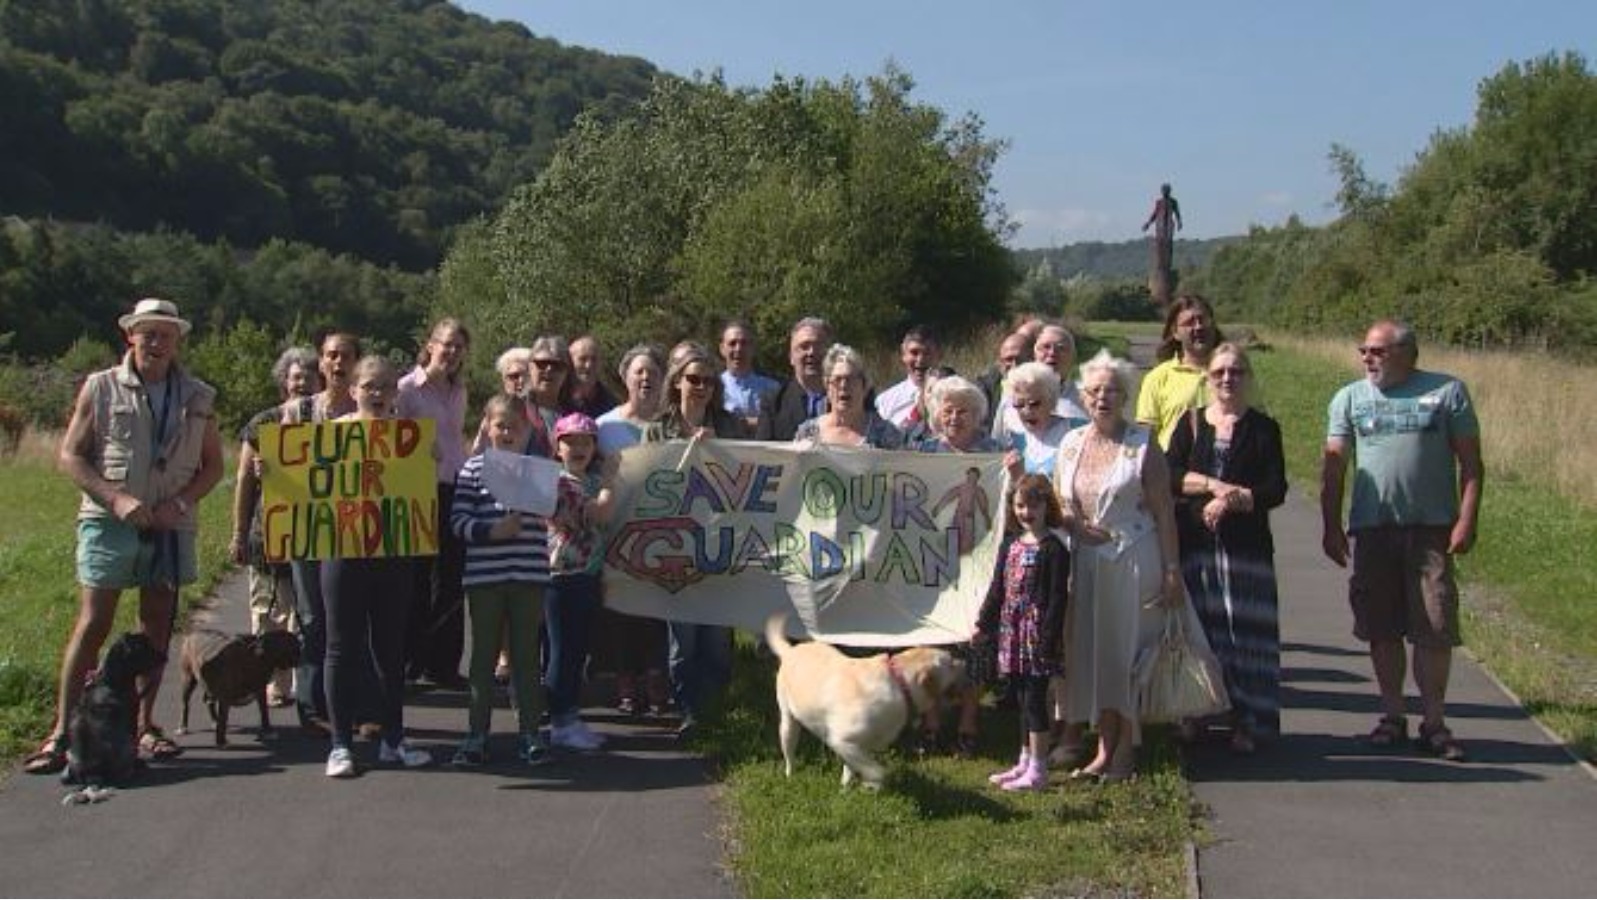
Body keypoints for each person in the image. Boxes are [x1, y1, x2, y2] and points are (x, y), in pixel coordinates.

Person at [25, 298, 224, 775]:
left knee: (155, 627)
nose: (156, 343)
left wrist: (181, 503)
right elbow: (71, 455)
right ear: (130, 337)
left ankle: (142, 725)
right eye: (148, 333)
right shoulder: (101, 387)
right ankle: (63, 731)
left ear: (178, 342)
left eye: (166, 335)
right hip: (108, 522)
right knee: (94, 623)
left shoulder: (199, 396)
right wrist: (115, 499)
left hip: (170, 526)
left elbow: (214, 465)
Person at [1321, 320, 1483, 761]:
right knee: (1381, 626)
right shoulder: (1349, 398)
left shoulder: (1447, 392)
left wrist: (1466, 519)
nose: (1367, 358)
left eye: (1377, 351)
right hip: (1374, 528)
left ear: (1407, 353)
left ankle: (1434, 722)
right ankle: (1392, 714)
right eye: (1364, 351)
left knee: (1433, 624)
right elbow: (1334, 465)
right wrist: (1331, 525)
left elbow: (1470, 463)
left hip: (1431, 528)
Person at [1054, 349, 1185, 782]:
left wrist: (1171, 569)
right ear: (1083, 396)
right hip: (1086, 562)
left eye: (1112, 390)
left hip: (1133, 559)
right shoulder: (1071, 443)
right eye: (1094, 391)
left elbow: (1165, 510)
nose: (1102, 398)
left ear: (1125, 395)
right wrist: (1073, 524)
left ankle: (1125, 748)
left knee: (1126, 652)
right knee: (1092, 653)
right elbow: (1059, 503)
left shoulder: (1143, 444)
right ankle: (1101, 748)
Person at [1165, 343, 1287, 754]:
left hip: (1245, 549)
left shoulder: (1264, 428)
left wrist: (1234, 499)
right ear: (1208, 379)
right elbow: (1169, 474)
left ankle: (1249, 720)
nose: (1227, 379)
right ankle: (1195, 714)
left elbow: (1275, 488)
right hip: (1197, 547)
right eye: (1218, 373)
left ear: (1247, 377)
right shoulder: (1192, 423)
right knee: (1200, 631)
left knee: (1246, 634)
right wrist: (1212, 487)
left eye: (1235, 372)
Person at [322, 355, 432, 777]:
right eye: (369, 384)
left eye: (386, 385)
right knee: (340, 646)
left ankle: (393, 739)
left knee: (391, 648)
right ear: (353, 390)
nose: (378, 392)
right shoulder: (332, 435)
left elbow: (430, 474)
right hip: (342, 552)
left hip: (394, 552)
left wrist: (427, 453)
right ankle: (340, 745)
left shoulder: (408, 438)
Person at [448, 393, 555, 769]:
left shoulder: (539, 470)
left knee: (527, 659)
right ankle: (476, 734)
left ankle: (530, 733)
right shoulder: (473, 469)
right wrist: (492, 530)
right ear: (487, 428)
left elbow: (555, 511)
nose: (507, 432)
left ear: (526, 430)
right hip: (485, 579)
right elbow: (458, 522)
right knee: (483, 659)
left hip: (527, 577)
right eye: (500, 425)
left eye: (514, 426)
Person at [643, 346, 745, 737]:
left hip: (720, 543)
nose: (701, 387)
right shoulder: (657, 428)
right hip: (675, 546)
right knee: (682, 640)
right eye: (693, 379)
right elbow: (649, 480)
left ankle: (715, 710)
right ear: (677, 383)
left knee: (718, 639)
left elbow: (747, 476)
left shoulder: (730, 426)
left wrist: (718, 450)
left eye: (708, 381)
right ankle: (689, 711)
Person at [913, 375, 1002, 758]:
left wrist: (1012, 471)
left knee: (974, 640)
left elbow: (993, 505)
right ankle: (930, 721)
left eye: (963, 410)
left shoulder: (995, 453)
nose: (954, 417)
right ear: (936, 414)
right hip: (931, 561)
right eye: (947, 410)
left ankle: (969, 720)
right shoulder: (922, 453)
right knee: (930, 641)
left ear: (977, 415)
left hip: (978, 563)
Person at [230, 346, 320, 709]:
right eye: (296, 377)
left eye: (309, 377)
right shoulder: (262, 423)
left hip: (315, 532)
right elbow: (243, 483)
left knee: (304, 612)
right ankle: (267, 682)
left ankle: (304, 683)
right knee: (267, 612)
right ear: (284, 381)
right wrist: (237, 533)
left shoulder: (329, 422)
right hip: (266, 533)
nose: (302, 383)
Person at [283, 332, 362, 737]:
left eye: (345, 356)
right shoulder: (299, 412)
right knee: (313, 619)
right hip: (308, 530)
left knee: (351, 619)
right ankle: (311, 707)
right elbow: (283, 465)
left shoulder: (368, 409)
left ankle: (353, 705)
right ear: (321, 362)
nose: (337, 363)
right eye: (331, 356)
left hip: (355, 531)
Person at [975, 473, 1070, 791]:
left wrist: (1048, 640)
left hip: (1036, 634)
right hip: (1010, 631)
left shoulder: (1054, 549)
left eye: (1033, 505)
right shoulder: (1010, 545)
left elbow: (1058, 598)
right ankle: (1024, 760)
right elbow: (997, 588)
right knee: (1018, 697)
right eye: (1019, 505)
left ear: (1046, 507)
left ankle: (1040, 768)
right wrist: (983, 623)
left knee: (1035, 699)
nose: (1026, 512)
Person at [594, 344, 671, 716]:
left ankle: (656, 681)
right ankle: (627, 682)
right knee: (623, 609)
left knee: (656, 609)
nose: (645, 378)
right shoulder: (604, 426)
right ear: (625, 378)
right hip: (618, 532)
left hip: (662, 532)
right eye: (638, 372)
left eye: (653, 373)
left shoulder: (671, 426)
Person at [395, 317, 472, 689]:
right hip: (418, 491)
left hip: (454, 489)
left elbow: (457, 441)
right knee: (417, 580)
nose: (452, 352)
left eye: (458, 346)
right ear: (430, 345)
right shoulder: (406, 390)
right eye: (446, 344)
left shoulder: (460, 391)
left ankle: (444, 664)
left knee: (451, 579)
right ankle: (413, 659)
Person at [543, 412, 617, 751]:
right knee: (563, 651)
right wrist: (610, 483)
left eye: (586, 441)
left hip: (585, 575)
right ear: (557, 447)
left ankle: (569, 716)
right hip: (561, 578)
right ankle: (560, 720)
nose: (578, 447)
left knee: (576, 650)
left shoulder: (587, 480)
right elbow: (596, 514)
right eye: (570, 441)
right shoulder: (560, 482)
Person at [1136, 294, 1224, 448]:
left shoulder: (1232, 373)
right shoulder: (1158, 378)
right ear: (1175, 332)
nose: (1198, 327)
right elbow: (1145, 437)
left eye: (1203, 320)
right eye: (1189, 323)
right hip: (1172, 468)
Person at [792, 343, 904, 449]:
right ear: (827, 386)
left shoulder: (886, 435)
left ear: (864, 386)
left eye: (851, 379)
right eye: (837, 379)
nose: (844, 385)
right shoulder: (807, 433)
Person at [994, 323, 1086, 443]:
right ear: (1034, 354)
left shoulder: (1088, 397)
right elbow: (998, 443)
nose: (1052, 353)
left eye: (1061, 348)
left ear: (1073, 357)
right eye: (1046, 347)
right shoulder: (1011, 397)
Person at [756, 317, 832, 441]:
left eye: (818, 345)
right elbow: (762, 454)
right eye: (804, 346)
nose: (811, 352)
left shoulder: (850, 399)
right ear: (791, 357)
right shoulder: (773, 402)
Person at [994, 362, 1074, 477]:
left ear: (1052, 401)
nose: (1027, 411)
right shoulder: (1015, 439)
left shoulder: (1075, 430)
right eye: (1019, 405)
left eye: (1034, 404)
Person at [718, 319, 780, 435]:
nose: (738, 349)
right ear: (722, 349)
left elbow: (779, 423)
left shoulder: (773, 388)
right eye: (732, 343)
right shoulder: (712, 387)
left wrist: (738, 422)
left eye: (744, 343)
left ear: (753, 348)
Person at [874, 326, 941, 429]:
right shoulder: (884, 401)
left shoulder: (958, 398)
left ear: (938, 355)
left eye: (927, 353)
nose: (920, 359)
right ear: (903, 355)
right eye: (914, 352)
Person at [469, 347, 533, 453]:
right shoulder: (495, 415)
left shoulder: (542, 416)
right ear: (504, 380)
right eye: (514, 376)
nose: (521, 381)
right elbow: (478, 452)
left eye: (527, 375)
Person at [976, 331, 1029, 431]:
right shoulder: (985, 389)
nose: (1015, 365)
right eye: (1009, 359)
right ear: (1000, 363)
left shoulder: (1044, 390)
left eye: (1020, 359)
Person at [567, 335, 618, 419]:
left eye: (594, 359)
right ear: (569, 361)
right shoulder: (558, 399)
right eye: (582, 359)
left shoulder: (611, 405)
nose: (589, 365)